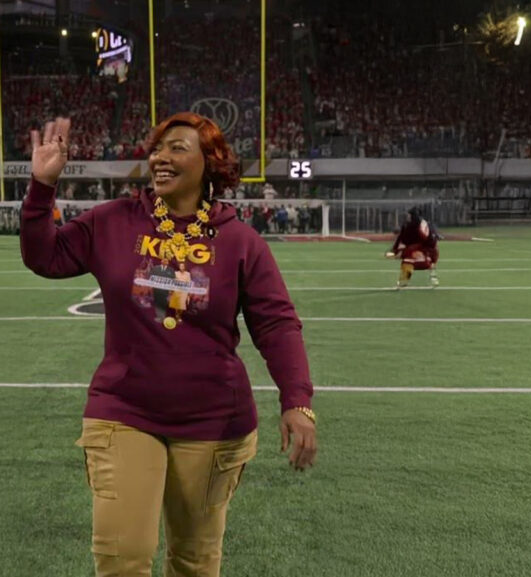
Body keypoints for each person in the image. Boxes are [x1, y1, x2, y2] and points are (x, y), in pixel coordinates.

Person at [21, 113, 317, 577]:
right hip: (124, 410)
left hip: (213, 419)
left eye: (178, 147)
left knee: (195, 564)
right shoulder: (115, 221)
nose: (161, 157)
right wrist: (42, 186)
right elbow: (44, 257)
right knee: (122, 560)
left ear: (209, 163)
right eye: (158, 148)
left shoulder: (240, 241)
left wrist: (297, 401)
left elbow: (277, 324)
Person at [385, 207, 439, 288]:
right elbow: (401, 239)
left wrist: (398, 252)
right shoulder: (423, 224)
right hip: (427, 251)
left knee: (408, 261)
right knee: (408, 257)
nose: (407, 217)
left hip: (426, 252)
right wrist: (395, 250)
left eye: (409, 215)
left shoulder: (416, 228)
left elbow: (424, 243)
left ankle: (404, 281)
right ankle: (432, 274)